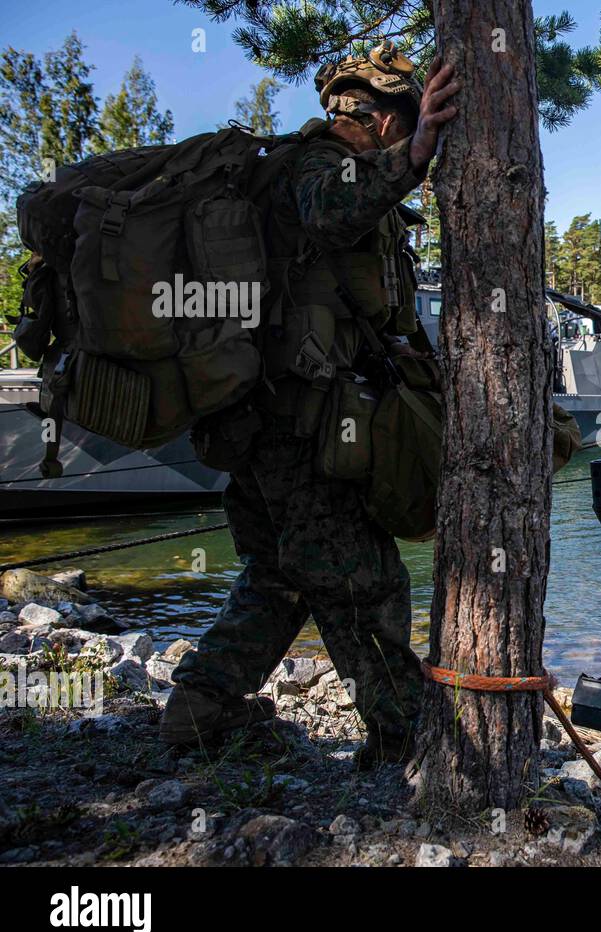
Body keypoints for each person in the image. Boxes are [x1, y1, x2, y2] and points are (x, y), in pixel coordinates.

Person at [162, 43, 461, 769]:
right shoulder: (316, 165)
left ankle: (199, 711)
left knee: (280, 575)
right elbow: (328, 213)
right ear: (388, 120)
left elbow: (340, 299)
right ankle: (402, 741)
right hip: (300, 429)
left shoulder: (326, 173)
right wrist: (416, 158)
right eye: (410, 123)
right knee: (364, 581)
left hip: (268, 424)